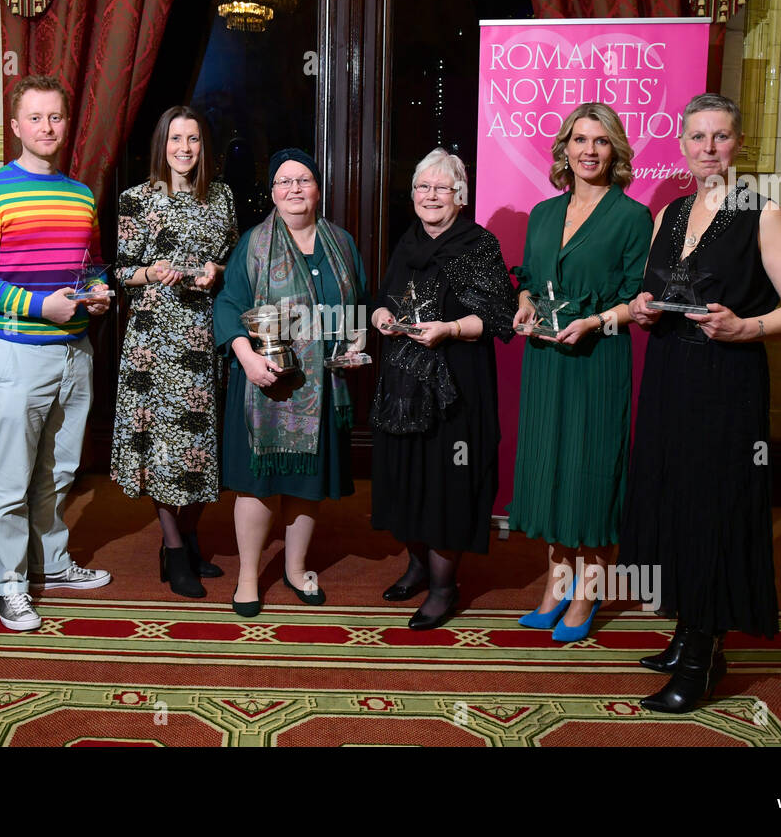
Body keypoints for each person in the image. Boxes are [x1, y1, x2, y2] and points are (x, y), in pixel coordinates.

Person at [620, 93, 781, 712]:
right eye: (698, 137)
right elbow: (651, 295)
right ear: (682, 145)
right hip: (670, 376)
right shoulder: (670, 216)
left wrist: (749, 327)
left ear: (739, 144)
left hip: (727, 379)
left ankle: (704, 656)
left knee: (713, 506)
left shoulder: (761, 215)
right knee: (673, 498)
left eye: (722, 137)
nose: (709, 149)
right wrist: (644, 311)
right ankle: (688, 631)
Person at [0, 74, 114, 633]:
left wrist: (97, 292)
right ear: (17, 126)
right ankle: (7, 584)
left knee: (62, 468)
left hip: (75, 352)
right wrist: (35, 307)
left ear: (66, 124)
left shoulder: (80, 193)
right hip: (18, 352)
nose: (47, 128)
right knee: (11, 476)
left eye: (56, 118)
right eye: (36, 118)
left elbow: (87, 265)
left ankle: (52, 562)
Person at [507, 103, 651, 642]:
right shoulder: (543, 213)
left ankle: (585, 596)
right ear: (564, 147)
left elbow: (638, 300)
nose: (589, 150)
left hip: (598, 360)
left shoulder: (632, 216)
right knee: (551, 472)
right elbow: (528, 278)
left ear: (615, 152)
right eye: (579, 139)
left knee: (591, 476)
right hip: (545, 359)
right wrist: (523, 302)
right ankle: (554, 586)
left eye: (601, 141)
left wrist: (595, 321)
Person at [213, 148, 369, 617]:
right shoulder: (253, 245)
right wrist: (247, 359)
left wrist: (355, 342)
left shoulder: (340, 242)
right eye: (284, 182)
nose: (294, 189)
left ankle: (297, 568)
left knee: (305, 484)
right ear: (273, 193)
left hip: (321, 387)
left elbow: (356, 304)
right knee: (259, 484)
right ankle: (247, 576)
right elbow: (227, 306)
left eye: (303, 180)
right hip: (265, 383)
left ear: (318, 188)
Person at [370, 148, 517, 630]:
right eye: (422, 187)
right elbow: (385, 299)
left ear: (461, 195)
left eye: (442, 188)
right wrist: (381, 318)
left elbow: (497, 318)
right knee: (407, 476)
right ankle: (416, 565)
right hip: (404, 386)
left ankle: (443, 588)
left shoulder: (478, 244)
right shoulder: (408, 241)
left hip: (457, 389)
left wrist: (449, 329)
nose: (431, 196)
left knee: (446, 483)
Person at [111, 106, 237, 598]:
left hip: (203, 335)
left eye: (194, 140)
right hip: (154, 339)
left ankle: (188, 537)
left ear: (205, 147)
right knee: (163, 447)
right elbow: (119, 272)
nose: (185, 149)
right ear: (161, 144)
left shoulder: (221, 197)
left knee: (200, 444)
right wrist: (151, 270)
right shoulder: (136, 200)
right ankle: (174, 550)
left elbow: (231, 263)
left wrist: (218, 273)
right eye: (176, 139)